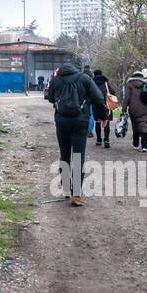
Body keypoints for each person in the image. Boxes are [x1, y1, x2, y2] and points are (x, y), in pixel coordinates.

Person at [46, 61, 106, 206]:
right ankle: (77, 194)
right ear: (75, 69)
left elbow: (50, 98)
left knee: (64, 154)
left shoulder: (55, 80)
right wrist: (103, 116)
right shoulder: (84, 78)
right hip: (80, 122)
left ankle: (66, 188)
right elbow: (98, 98)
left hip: (62, 121)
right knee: (78, 156)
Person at [124, 68, 147, 152]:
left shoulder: (130, 84)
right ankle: (144, 146)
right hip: (145, 109)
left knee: (135, 125)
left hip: (133, 109)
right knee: (144, 126)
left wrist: (124, 110)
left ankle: (136, 143)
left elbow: (126, 98)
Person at [91, 69, 115, 148]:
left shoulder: (92, 83)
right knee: (106, 122)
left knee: (97, 122)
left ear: (94, 75)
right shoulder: (106, 82)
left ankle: (98, 140)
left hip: (96, 104)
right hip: (106, 105)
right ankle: (106, 140)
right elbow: (113, 91)